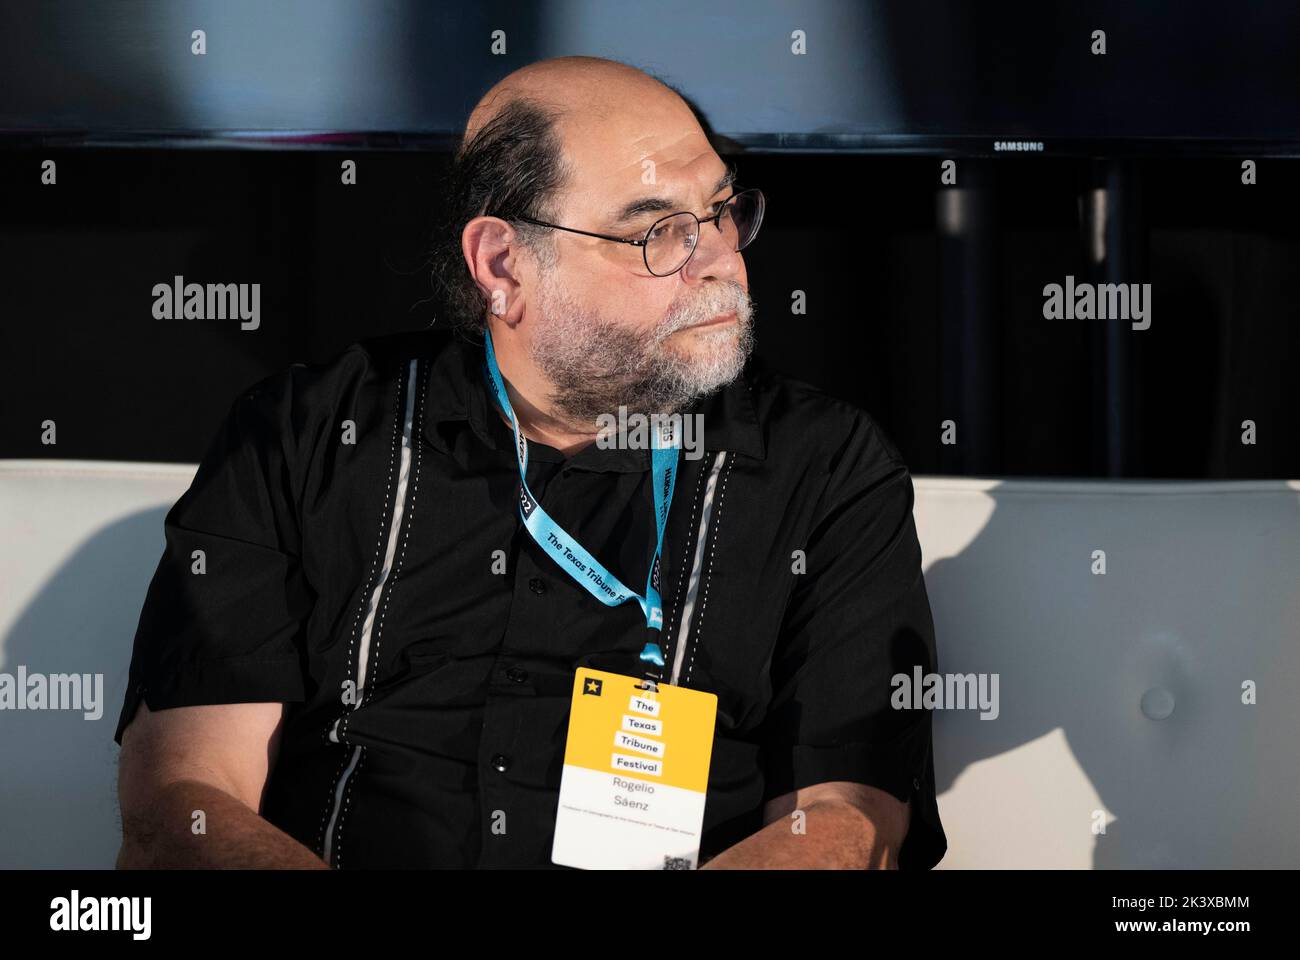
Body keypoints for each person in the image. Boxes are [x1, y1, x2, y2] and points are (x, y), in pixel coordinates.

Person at [114, 55, 946, 870]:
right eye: (657, 230)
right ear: (505, 266)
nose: (721, 258)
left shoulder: (823, 467)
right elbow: (180, 802)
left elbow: (847, 822)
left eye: (723, 210)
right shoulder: (306, 435)